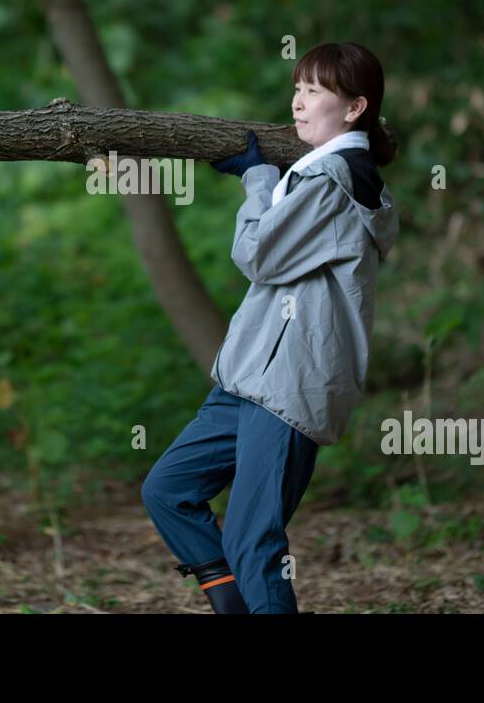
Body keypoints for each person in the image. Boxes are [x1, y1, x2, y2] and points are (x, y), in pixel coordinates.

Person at [142, 41, 400, 614]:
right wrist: (276, 175)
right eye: (299, 87)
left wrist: (258, 178)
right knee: (168, 490)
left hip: (288, 385)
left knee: (253, 540)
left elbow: (258, 254)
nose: (299, 102)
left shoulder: (335, 181)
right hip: (247, 379)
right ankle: (231, 603)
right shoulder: (314, 174)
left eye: (315, 91)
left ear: (354, 108)